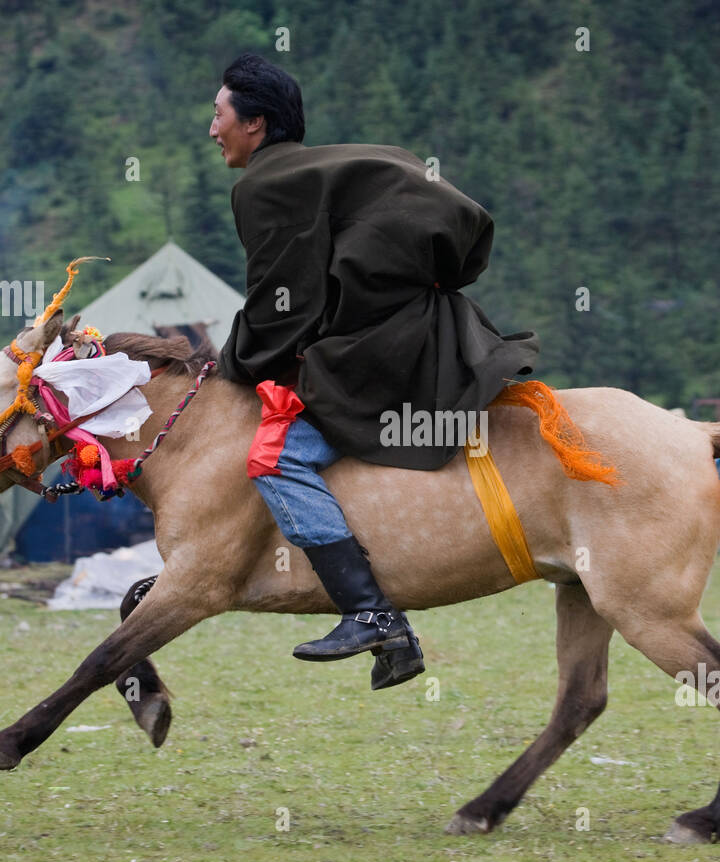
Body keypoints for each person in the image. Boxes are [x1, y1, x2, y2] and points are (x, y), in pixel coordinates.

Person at [210, 53, 539, 690]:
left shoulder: (263, 185)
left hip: (387, 356)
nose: (212, 129)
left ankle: (371, 613)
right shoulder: (340, 164)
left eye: (218, 114)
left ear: (255, 123)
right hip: (429, 335)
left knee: (276, 459)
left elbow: (281, 304)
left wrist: (232, 364)